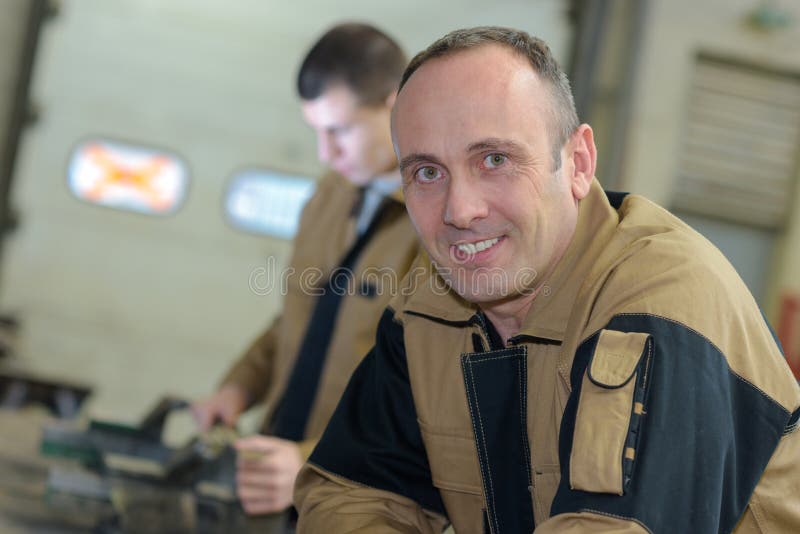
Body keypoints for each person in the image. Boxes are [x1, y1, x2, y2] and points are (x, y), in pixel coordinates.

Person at [294, 26, 800, 533]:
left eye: (495, 160)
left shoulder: (663, 302)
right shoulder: (430, 309)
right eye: (427, 172)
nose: (460, 211)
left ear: (578, 163)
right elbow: (352, 492)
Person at [192, 23, 418, 516]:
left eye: (338, 130)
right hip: (275, 486)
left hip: (358, 504)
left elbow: (428, 400)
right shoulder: (329, 194)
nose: (325, 153)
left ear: (396, 102)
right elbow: (301, 318)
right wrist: (240, 386)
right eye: (316, 132)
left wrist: (309, 463)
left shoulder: (441, 225)